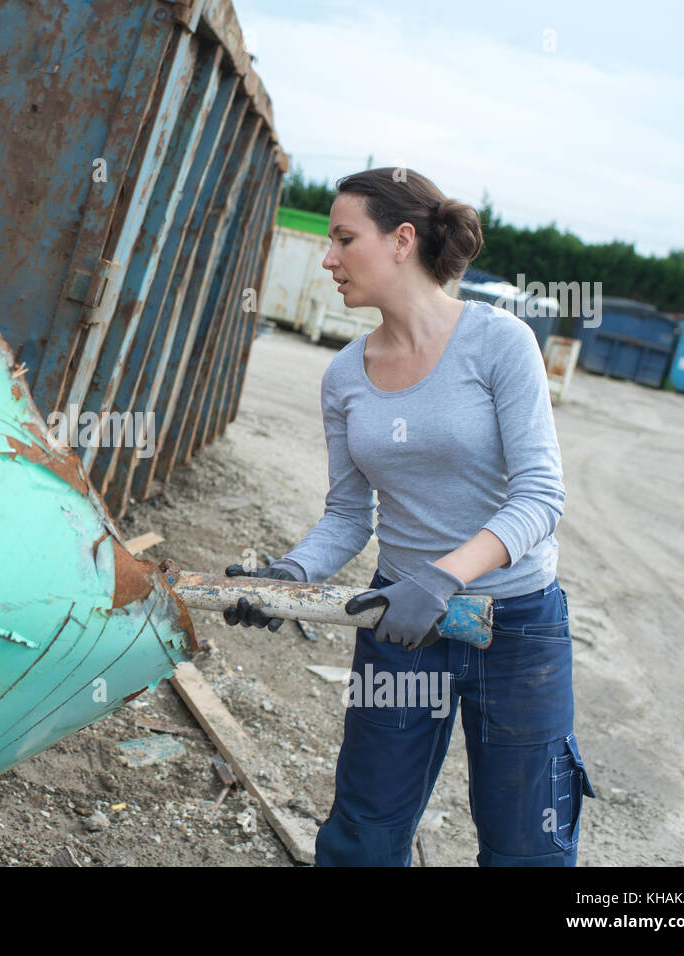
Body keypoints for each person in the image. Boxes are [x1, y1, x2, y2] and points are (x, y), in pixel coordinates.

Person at [223, 167, 594, 866]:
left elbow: (541, 497)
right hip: (396, 625)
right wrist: (290, 576)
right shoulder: (343, 375)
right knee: (364, 833)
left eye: (342, 238)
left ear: (402, 240)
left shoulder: (500, 343)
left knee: (529, 849)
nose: (327, 258)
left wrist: (444, 578)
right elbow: (346, 515)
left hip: (516, 629)